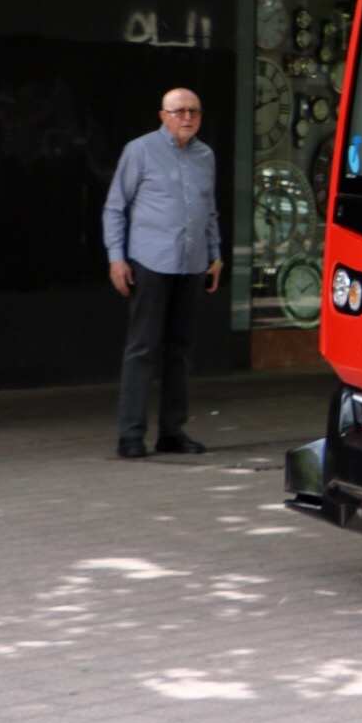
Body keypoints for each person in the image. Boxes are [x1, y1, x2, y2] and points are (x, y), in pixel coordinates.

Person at [102, 87, 222, 458]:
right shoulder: (140, 151)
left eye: (194, 111)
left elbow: (210, 209)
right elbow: (114, 208)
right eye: (179, 111)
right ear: (163, 115)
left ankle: (172, 432)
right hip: (150, 263)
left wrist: (215, 256)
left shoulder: (206, 156)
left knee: (180, 351)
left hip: (192, 264)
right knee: (142, 349)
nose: (187, 117)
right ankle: (130, 435)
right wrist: (116, 258)